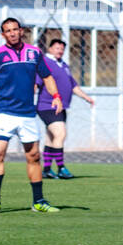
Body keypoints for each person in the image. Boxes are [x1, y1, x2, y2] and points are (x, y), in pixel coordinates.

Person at [0, 18, 63, 214]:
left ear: (22, 31)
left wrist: (56, 96)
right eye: (7, 31)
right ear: (3, 35)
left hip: (28, 115)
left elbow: (47, 76)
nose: (12, 33)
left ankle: (39, 201)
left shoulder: (34, 53)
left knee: (34, 156)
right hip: (4, 113)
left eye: (15, 29)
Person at [36, 39, 95, 179]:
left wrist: (87, 97)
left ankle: (47, 170)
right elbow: (36, 83)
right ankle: (61, 168)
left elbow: (73, 86)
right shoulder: (45, 63)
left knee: (51, 138)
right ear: (50, 49)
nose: (60, 51)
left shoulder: (64, 65)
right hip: (47, 106)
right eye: (57, 48)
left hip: (61, 107)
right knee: (60, 134)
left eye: (62, 49)